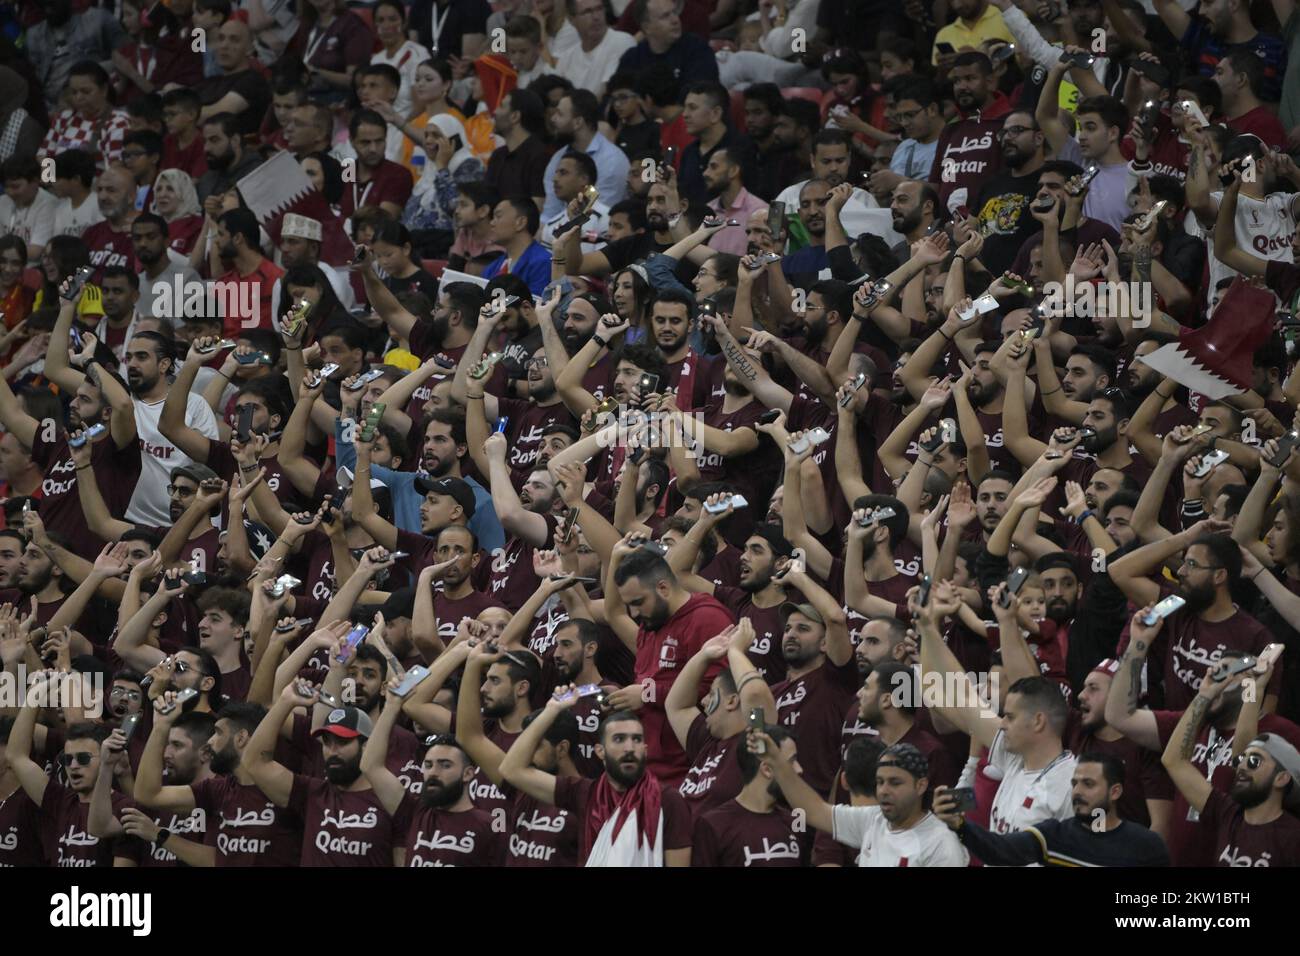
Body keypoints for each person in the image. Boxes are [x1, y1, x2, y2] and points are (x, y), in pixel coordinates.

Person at [932, 752, 1172, 867]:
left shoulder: (1146, 846)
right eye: (1074, 783)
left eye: (1088, 784)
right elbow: (1000, 850)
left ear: (1115, 792)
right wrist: (960, 826)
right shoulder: (1054, 836)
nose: (1077, 791)